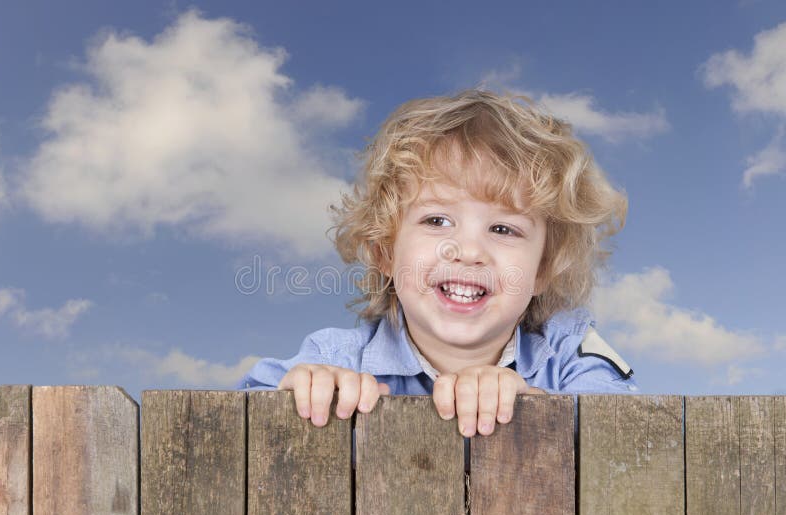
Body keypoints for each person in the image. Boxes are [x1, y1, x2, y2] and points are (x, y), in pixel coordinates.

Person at [237, 89, 638, 437]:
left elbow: (625, 428)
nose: (467, 250)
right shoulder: (336, 357)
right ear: (384, 253)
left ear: (543, 271)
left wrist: (536, 408)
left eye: (503, 229)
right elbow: (237, 415)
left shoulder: (568, 349)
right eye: (437, 221)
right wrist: (304, 392)